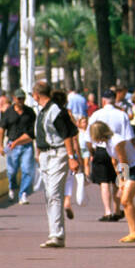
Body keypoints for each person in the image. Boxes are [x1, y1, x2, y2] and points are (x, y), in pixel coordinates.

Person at [33, 82, 82, 249]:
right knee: (49, 194)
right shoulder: (43, 111)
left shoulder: (55, 111)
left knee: (54, 193)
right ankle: (54, 232)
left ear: (36, 95)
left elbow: (67, 135)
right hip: (46, 155)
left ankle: (57, 235)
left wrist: (71, 157)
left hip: (58, 153)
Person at [89, 121, 135, 239]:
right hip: (128, 169)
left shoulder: (116, 140)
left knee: (126, 200)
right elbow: (114, 161)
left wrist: (123, 180)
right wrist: (120, 181)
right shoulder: (108, 143)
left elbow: (123, 160)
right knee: (125, 200)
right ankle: (134, 232)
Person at [0, 89, 36, 204]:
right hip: (11, 144)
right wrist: (0, 146)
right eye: (19, 98)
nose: (21, 101)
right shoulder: (8, 112)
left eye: (23, 98)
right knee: (12, 170)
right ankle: (12, 187)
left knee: (27, 170)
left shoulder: (30, 112)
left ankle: (23, 193)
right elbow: (2, 129)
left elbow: (32, 132)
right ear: (14, 98)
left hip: (26, 145)